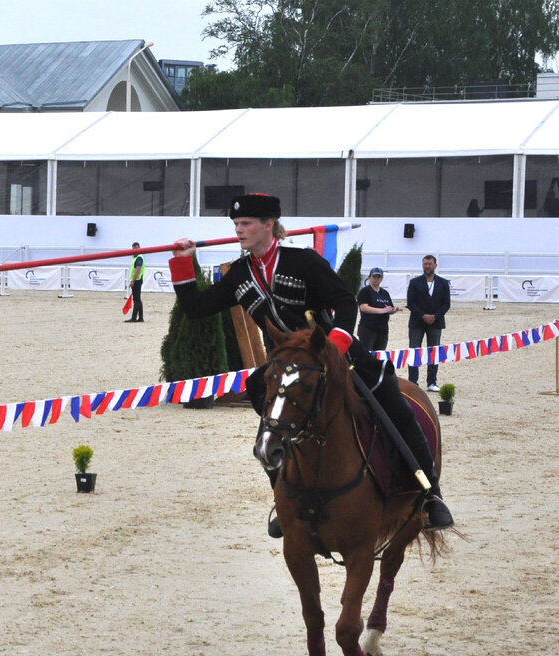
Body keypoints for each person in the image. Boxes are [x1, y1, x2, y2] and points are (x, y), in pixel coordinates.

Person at [168, 193, 453, 538]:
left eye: (246, 224)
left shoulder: (302, 261)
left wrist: (336, 345)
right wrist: (184, 261)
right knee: (266, 434)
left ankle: (430, 493)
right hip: (286, 367)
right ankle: (284, 499)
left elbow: (345, 302)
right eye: (236, 225)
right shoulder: (240, 274)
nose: (239, 230)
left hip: (334, 354)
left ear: (268, 226)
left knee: (394, 404)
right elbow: (196, 307)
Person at [405, 254, 450, 391]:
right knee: (415, 350)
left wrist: (435, 316)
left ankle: (432, 382)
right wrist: (423, 315)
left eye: (430, 264)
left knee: (434, 351)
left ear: (435, 265)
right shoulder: (414, 282)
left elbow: (446, 304)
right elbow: (410, 303)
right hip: (417, 322)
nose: (427, 266)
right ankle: (413, 381)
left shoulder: (443, 283)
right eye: (425, 264)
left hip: (436, 322)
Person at [355, 266, 399, 351]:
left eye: (378, 277)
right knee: (367, 354)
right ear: (369, 277)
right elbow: (363, 307)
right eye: (374, 276)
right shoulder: (365, 291)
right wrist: (381, 311)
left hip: (382, 329)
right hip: (368, 328)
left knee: (380, 354)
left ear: (381, 279)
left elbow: (388, 308)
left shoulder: (385, 293)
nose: (376, 279)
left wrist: (394, 310)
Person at [125, 242, 144, 322]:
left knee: (136, 299)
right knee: (138, 299)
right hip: (137, 279)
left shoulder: (139, 258)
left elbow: (138, 269)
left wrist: (133, 280)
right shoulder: (137, 257)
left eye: (136, 248)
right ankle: (140, 317)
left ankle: (134, 317)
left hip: (137, 280)